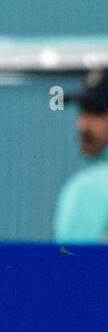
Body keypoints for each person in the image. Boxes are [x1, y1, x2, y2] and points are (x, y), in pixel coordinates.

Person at [54, 69, 108, 244]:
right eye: (83, 112)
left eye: (97, 113)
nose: (83, 126)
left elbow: (72, 267)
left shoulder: (87, 188)